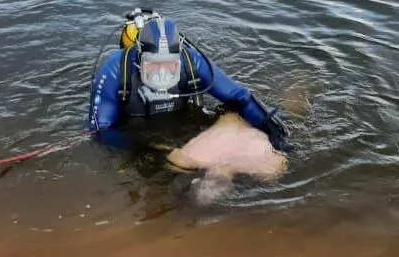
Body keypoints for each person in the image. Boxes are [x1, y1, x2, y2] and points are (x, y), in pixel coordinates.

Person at [89, 9, 289, 151]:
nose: (162, 77)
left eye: (169, 68)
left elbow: (239, 96)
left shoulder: (192, 61)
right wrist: (145, 147)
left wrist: (271, 128)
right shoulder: (114, 71)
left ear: (179, 61)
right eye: (154, 68)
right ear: (140, 60)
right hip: (135, 130)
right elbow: (100, 129)